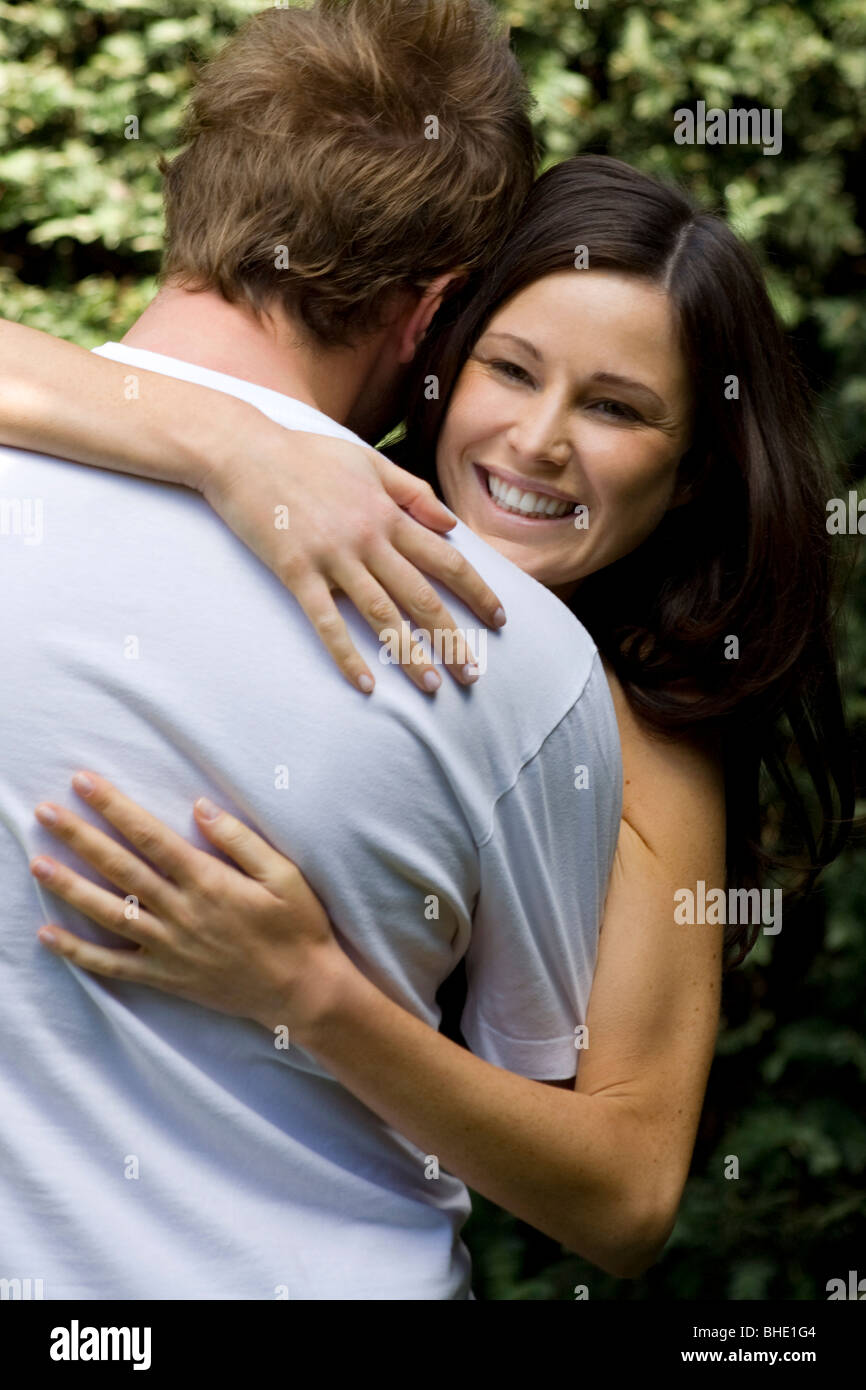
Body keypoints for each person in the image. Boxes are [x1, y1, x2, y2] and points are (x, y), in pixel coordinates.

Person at [1, 23, 852, 1302]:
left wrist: (315, 993)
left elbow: (625, 1199)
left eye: (616, 408)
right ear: (440, 345)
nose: (541, 439)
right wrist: (227, 442)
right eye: (509, 369)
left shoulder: (625, 721)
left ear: (689, 479)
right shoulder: (315, 502)